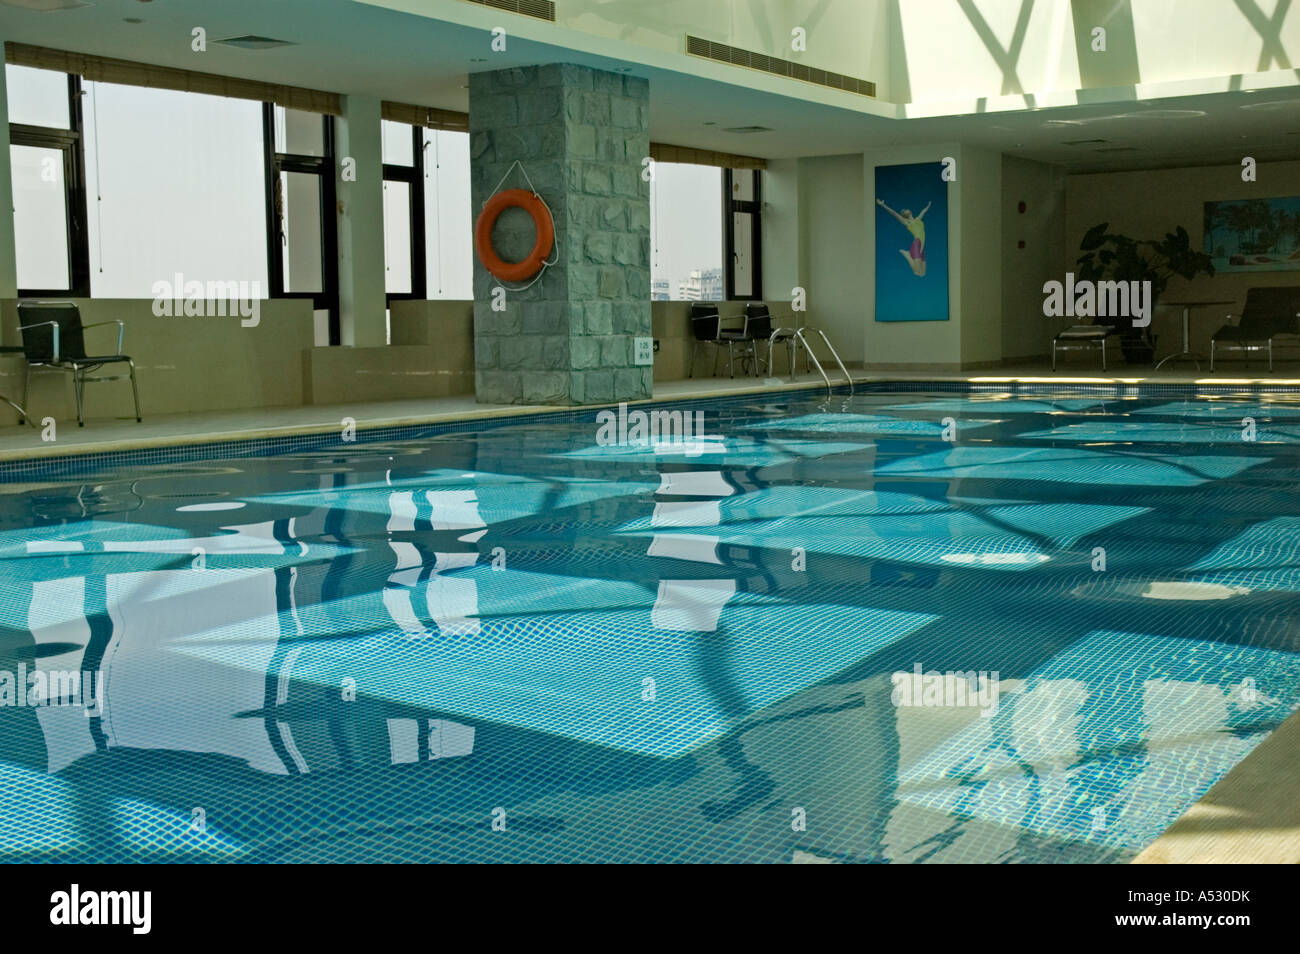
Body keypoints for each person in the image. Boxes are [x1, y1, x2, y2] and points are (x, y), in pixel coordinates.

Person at [877, 198, 931, 277]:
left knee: (922, 274)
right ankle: (907, 255)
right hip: (917, 244)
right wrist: (883, 205)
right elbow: (894, 213)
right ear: (905, 215)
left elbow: (923, 211)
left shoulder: (918, 219)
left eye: (905, 209)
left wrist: (928, 206)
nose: (906, 210)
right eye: (904, 211)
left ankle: (909, 255)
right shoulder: (907, 222)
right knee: (917, 271)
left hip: (922, 246)